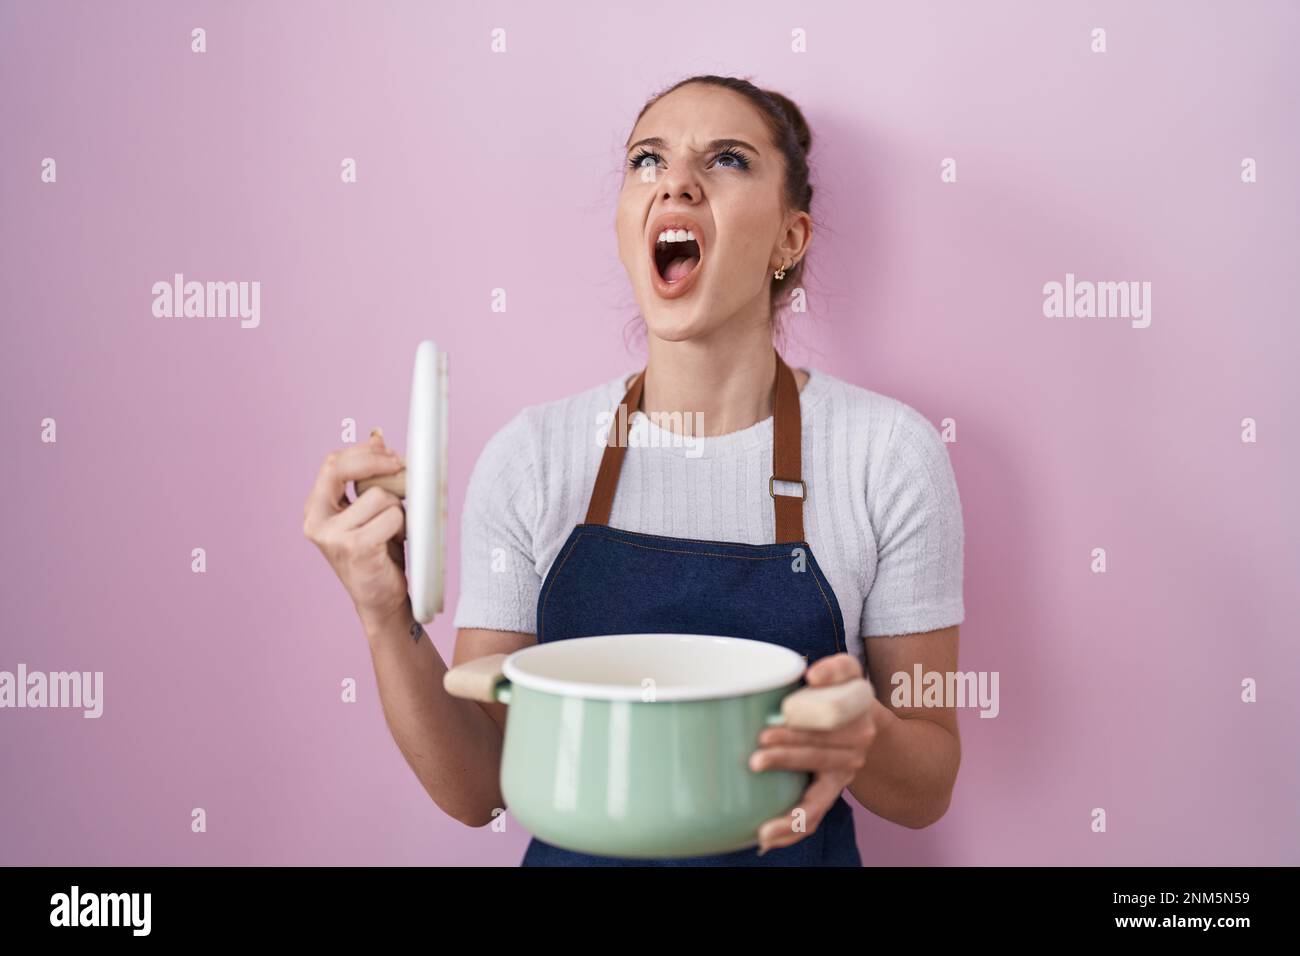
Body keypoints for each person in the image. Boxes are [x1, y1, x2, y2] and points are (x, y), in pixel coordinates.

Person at [303, 74, 965, 866]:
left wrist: (870, 737)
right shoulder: (533, 457)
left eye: (726, 159)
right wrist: (384, 615)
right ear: (626, 222)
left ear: (792, 239)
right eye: (647, 160)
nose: (675, 180)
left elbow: (926, 788)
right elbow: (481, 785)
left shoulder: (887, 455)